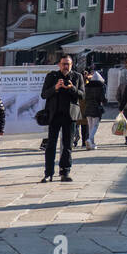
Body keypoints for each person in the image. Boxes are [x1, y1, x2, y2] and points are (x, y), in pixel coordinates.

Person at [40, 54, 83, 183]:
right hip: (54, 115)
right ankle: (48, 173)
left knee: (68, 145)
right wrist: (56, 88)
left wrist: (71, 88)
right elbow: (44, 94)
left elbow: (82, 94)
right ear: (59, 65)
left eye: (68, 64)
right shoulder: (52, 76)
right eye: (63, 64)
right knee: (51, 145)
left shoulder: (77, 76)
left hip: (70, 116)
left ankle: (65, 172)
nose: (65, 66)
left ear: (72, 65)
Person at [83, 69, 106, 150]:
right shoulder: (101, 86)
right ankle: (89, 140)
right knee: (95, 125)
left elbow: (84, 97)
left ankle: (91, 143)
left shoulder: (87, 86)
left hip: (88, 107)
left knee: (90, 126)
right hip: (96, 107)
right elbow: (102, 98)